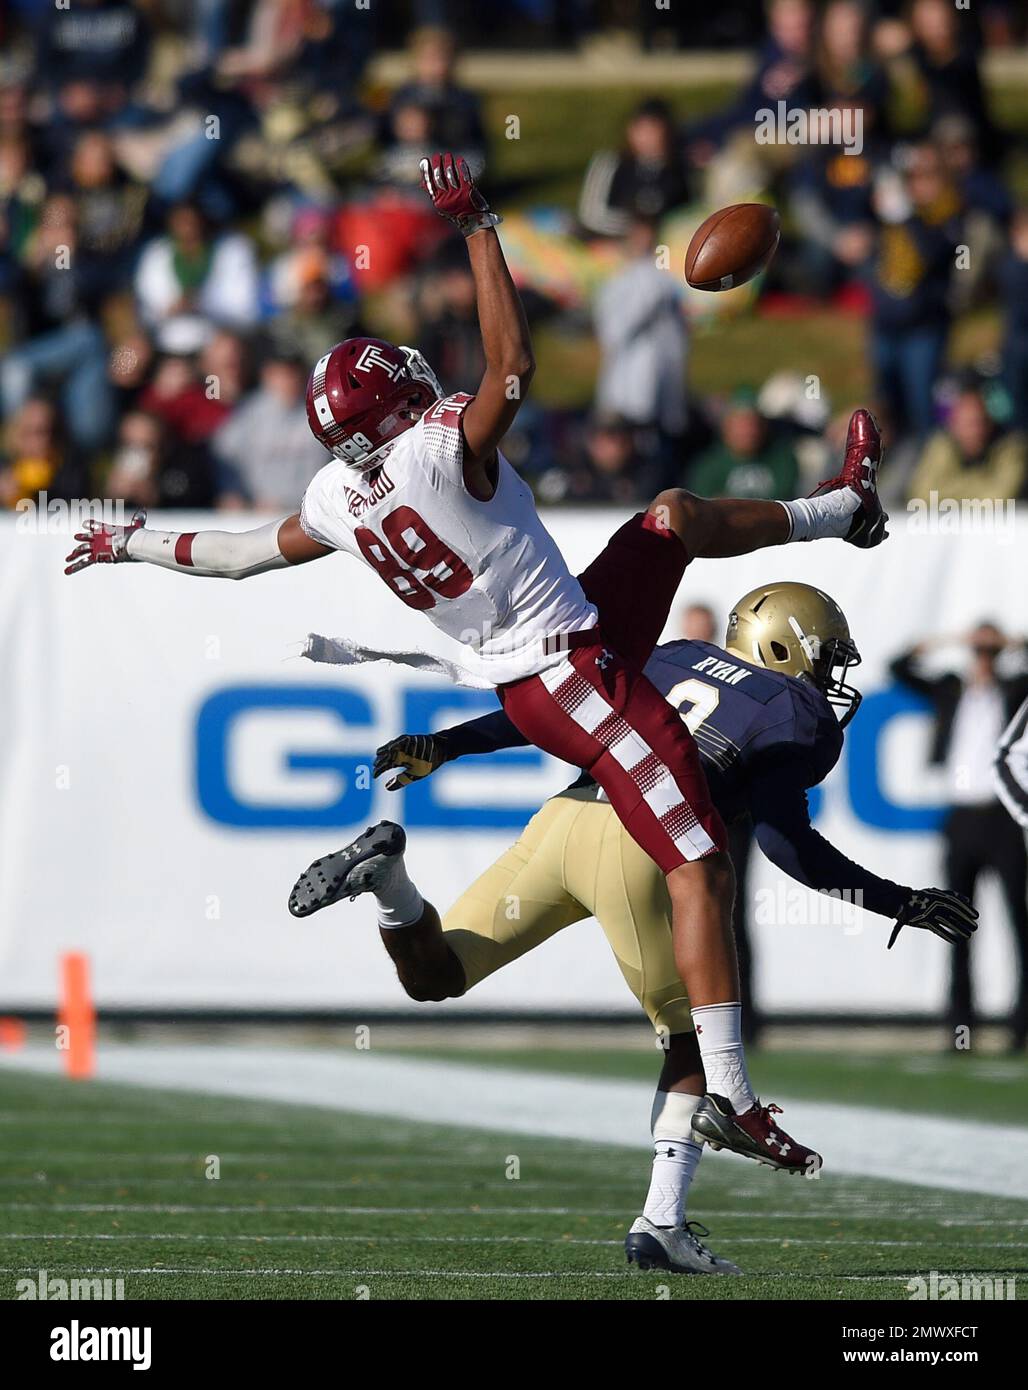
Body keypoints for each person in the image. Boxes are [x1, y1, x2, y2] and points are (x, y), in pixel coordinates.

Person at [65, 154, 888, 1173]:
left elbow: (232, 557)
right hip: (570, 674)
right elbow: (511, 370)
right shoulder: (433, 449)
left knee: (671, 517)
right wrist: (477, 222)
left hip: (560, 641)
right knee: (699, 864)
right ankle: (730, 1093)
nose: (417, 378)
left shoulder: (339, 495)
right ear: (389, 411)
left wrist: (128, 541)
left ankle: (840, 510)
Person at [286, 582, 975, 1274]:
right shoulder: (795, 713)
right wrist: (898, 902)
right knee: (691, 1042)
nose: (830, 676)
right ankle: (662, 1225)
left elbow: (555, 708)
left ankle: (391, 884)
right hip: (649, 846)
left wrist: (449, 743)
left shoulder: (673, 654)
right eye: (826, 658)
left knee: (436, 975)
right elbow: (785, 843)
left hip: (564, 822)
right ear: (783, 643)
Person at [890, 624, 1028, 1047]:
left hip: (1002, 817)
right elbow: (898, 668)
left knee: (1018, 923)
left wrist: (1012, 644)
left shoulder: (1013, 690)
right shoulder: (952, 691)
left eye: (990, 651)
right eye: (979, 650)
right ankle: (962, 1031)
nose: (984, 659)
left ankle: (1021, 1029)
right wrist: (946, 640)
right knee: (957, 924)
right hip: (961, 818)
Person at [907, 384, 1027, 503]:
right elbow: (921, 494)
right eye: (967, 423)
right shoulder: (942, 445)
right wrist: (980, 482)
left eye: (979, 422)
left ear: (990, 423)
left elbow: (999, 497)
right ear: (953, 425)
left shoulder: (1011, 447)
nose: (974, 431)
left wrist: (947, 492)